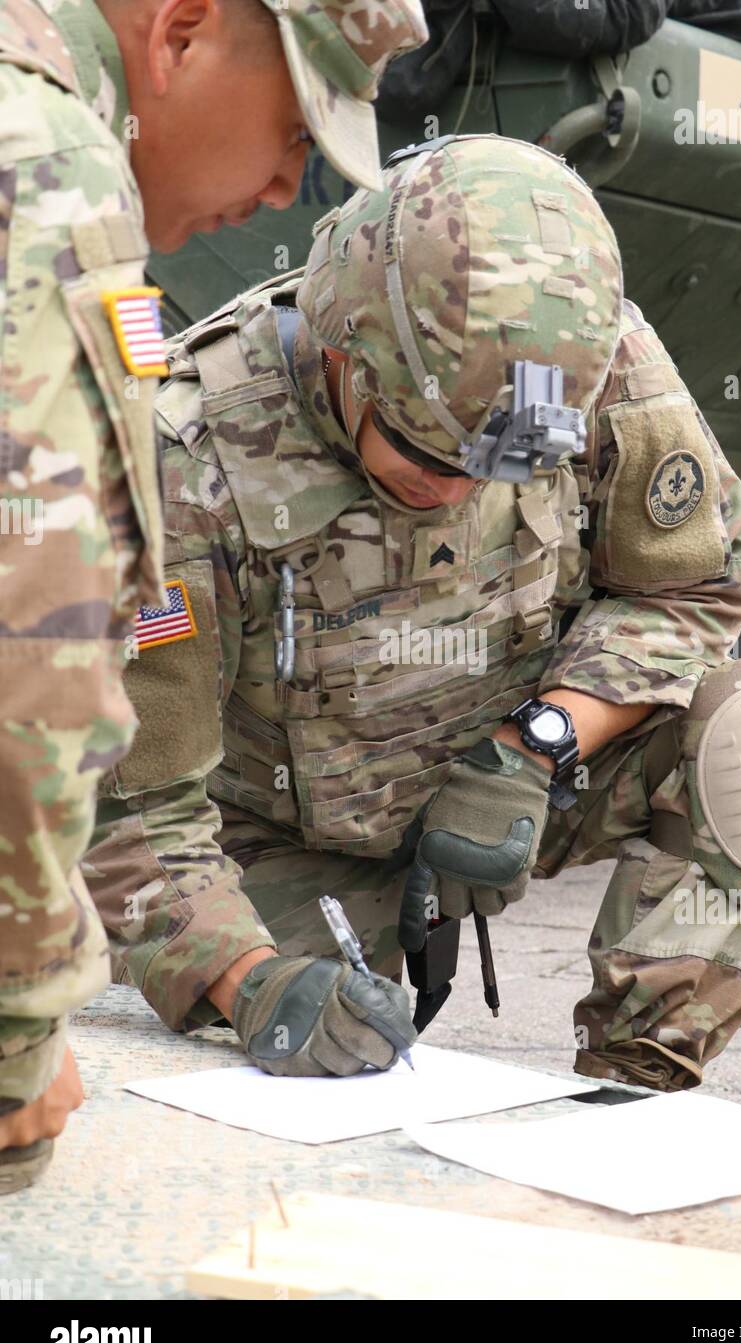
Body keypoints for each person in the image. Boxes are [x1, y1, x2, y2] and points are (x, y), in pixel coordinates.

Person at [88, 133, 741, 1092]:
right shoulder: (190, 459)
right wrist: (252, 986)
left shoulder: (587, 367)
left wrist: (537, 746)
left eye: (512, 468)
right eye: (433, 460)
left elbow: (688, 587)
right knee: (302, 1060)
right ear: (347, 359)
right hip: (279, 844)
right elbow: (134, 807)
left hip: (518, 778)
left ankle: (641, 1081)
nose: (461, 492)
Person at [0, 0, 427, 1192]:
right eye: (294, 129)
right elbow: (30, 653)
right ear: (181, 32)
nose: (289, 192)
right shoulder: (50, 173)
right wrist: (17, 1038)